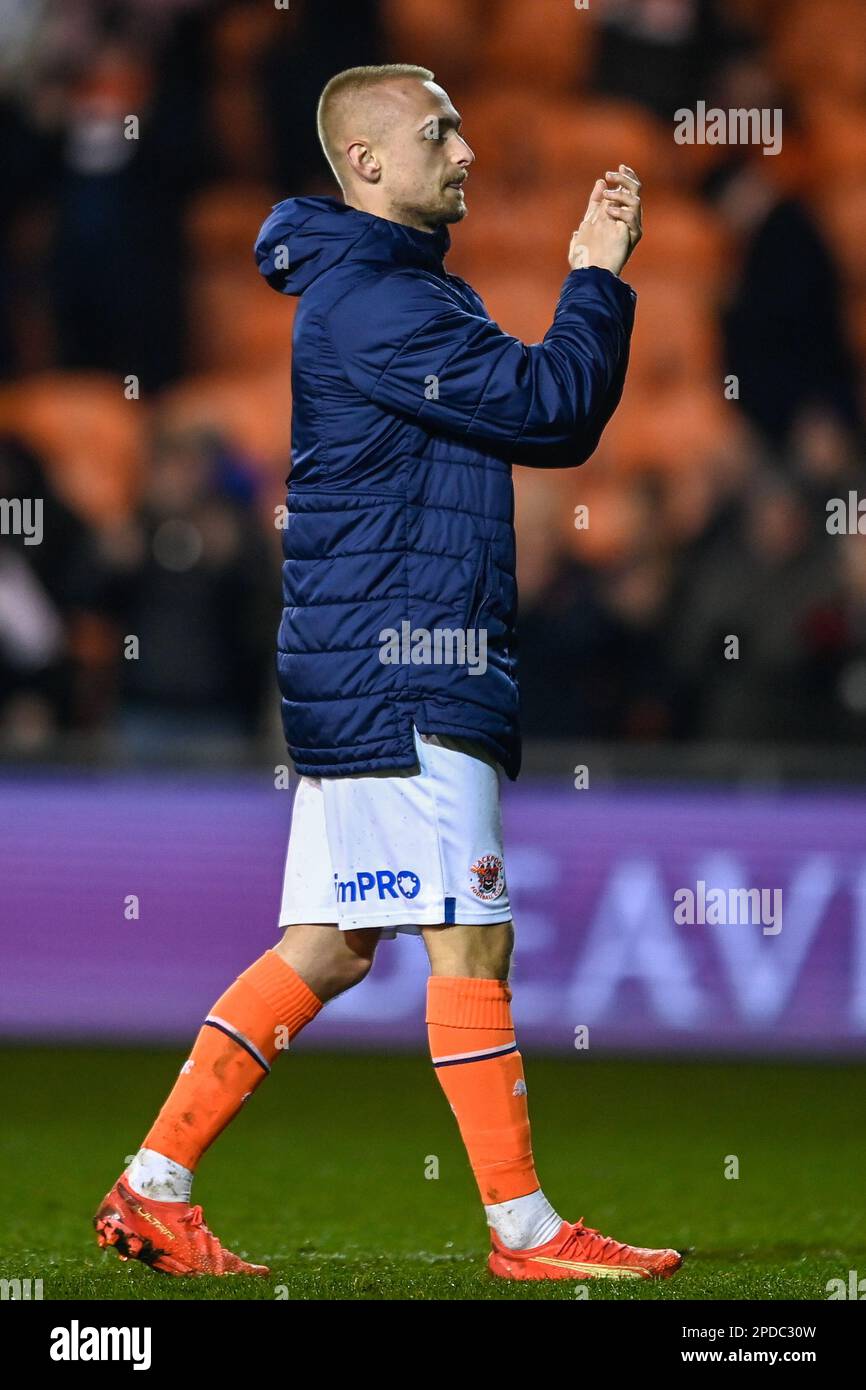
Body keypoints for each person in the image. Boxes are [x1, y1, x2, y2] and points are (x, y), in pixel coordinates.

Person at [95, 64, 682, 1283]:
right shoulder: (375, 306)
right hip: (404, 666)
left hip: (370, 658)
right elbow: (554, 406)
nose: (464, 148)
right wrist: (592, 273)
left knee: (331, 941)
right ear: (364, 162)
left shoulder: (387, 293)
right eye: (437, 132)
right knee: (471, 940)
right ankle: (522, 1232)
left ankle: (154, 1185)